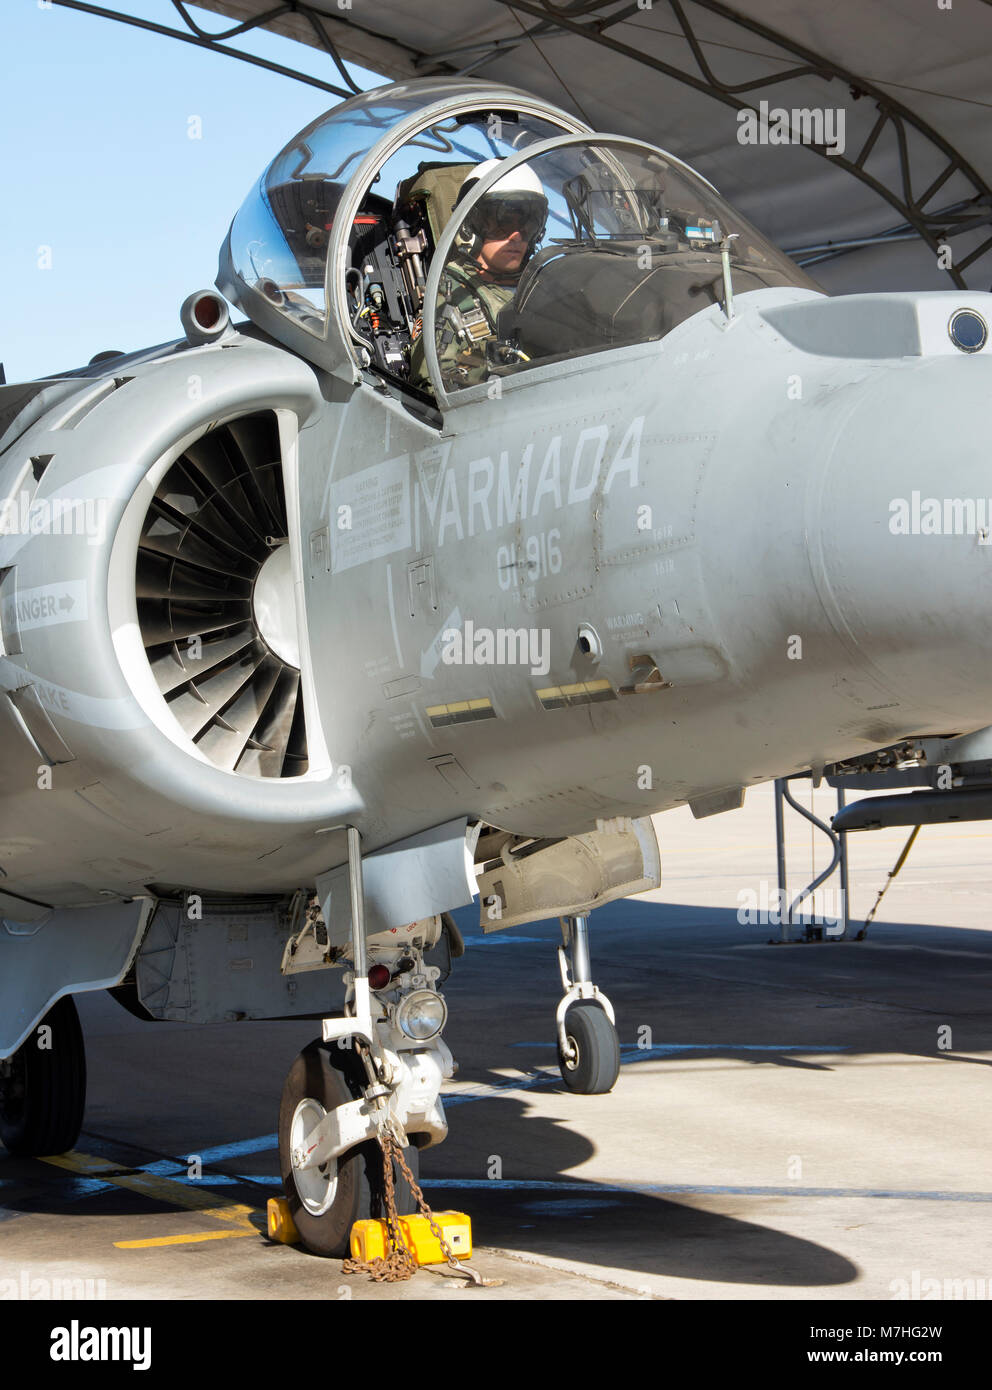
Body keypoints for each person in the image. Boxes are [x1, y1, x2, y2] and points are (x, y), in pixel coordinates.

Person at [407, 158, 548, 393]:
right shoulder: (447, 296)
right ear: (470, 226)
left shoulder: (547, 285)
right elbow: (432, 386)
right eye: (503, 223)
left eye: (526, 223)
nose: (516, 236)